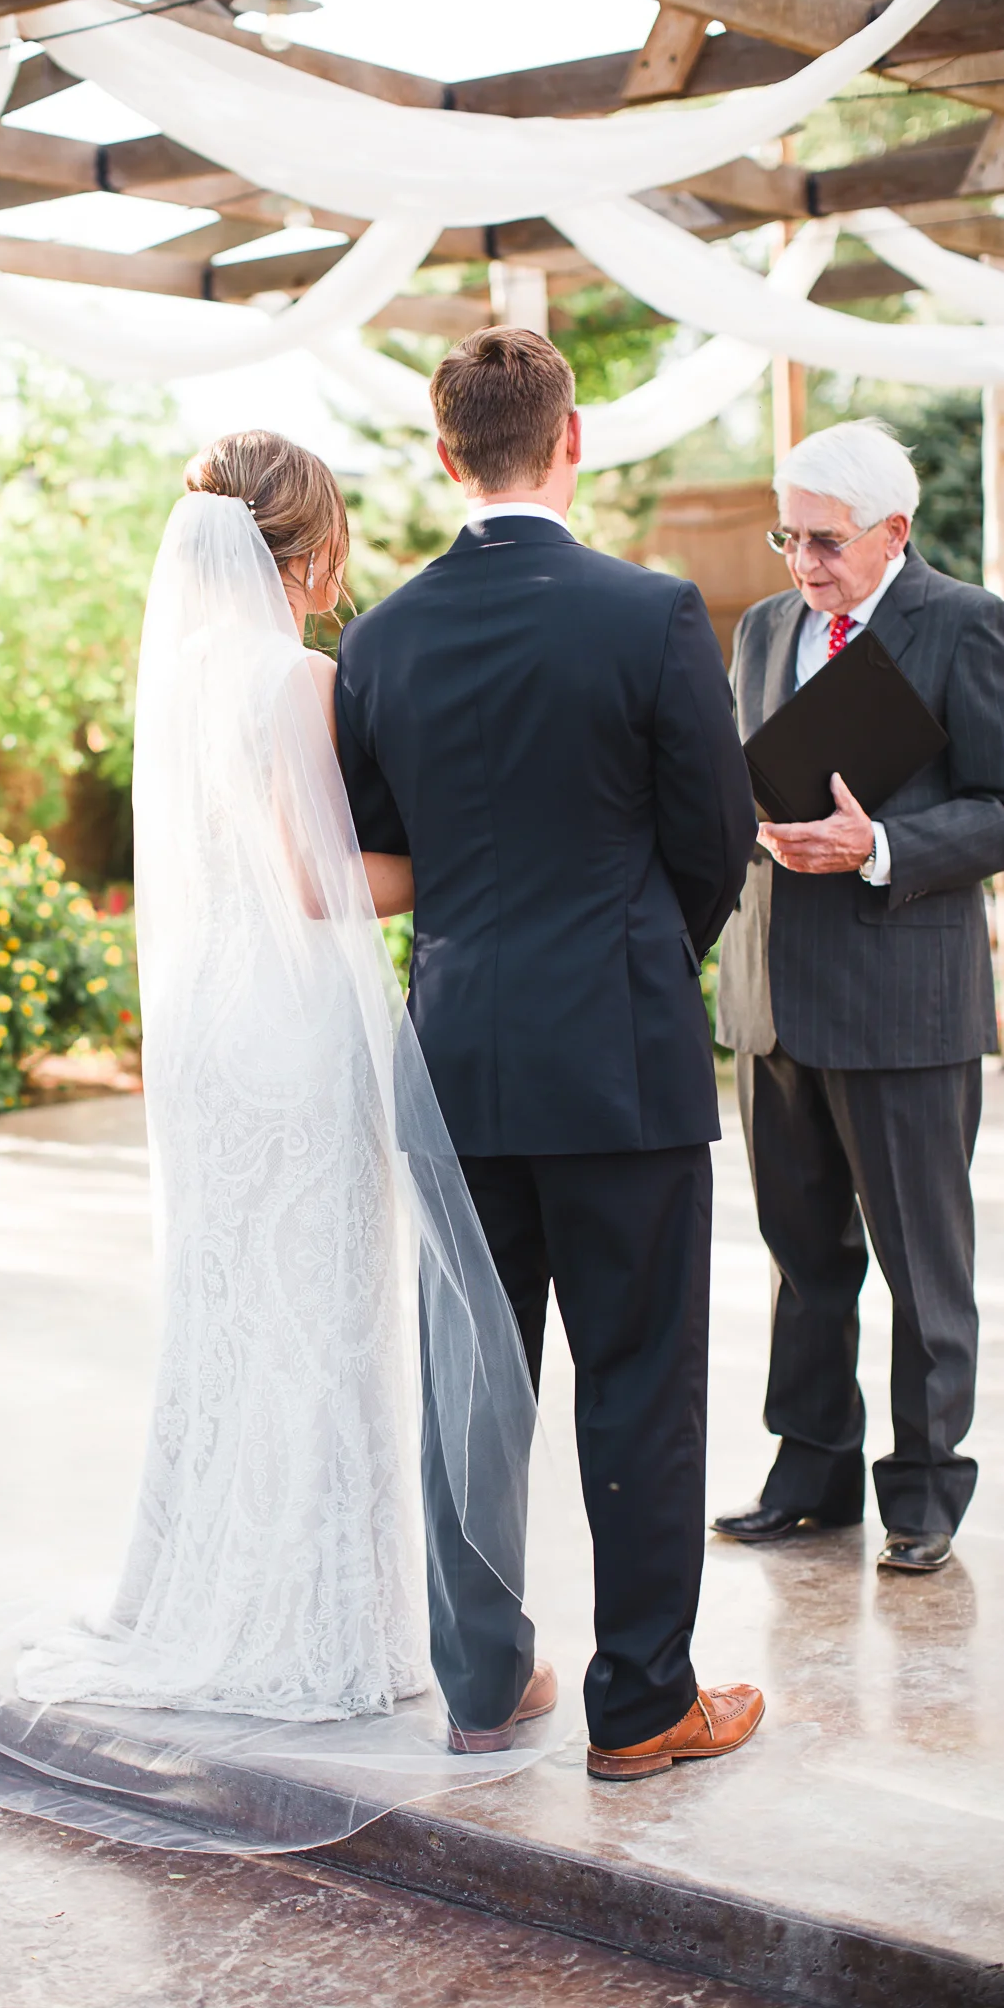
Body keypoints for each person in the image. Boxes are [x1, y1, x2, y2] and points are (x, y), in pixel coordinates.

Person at [0, 432, 553, 1850]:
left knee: (231, 1317)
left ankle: (200, 1586)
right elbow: (321, 886)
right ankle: (322, 1627)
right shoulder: (294, 678)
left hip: (204, 1037)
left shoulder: (181, 679)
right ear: (308, 558)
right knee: (321, 1315)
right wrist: (480, 852)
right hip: (293, 1043)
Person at [335, 327, 764, 1781]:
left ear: (446, 455)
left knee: (469, 1382)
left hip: (452, 1061)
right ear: (571, 439)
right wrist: (641, 963)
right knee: (639, 1379)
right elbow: (713, 848)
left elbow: (385, 857)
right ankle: (640, 1708)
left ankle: (480, 1685)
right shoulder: (650, 614)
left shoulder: (380, 640)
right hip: (623, 1060)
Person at [714, 418, 1004, 1574]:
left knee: (921, 1262)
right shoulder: (764, 628)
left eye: (826, 541)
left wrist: (880, 843)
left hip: (904, 1001)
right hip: (772, 995)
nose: (802, 563)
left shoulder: (968, 625)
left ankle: (926, 1491)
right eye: (787, 534)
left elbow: (998, 804)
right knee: (800, 1257)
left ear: (895, 529)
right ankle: (811, 1473)